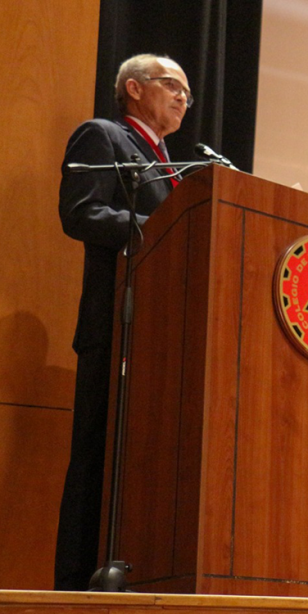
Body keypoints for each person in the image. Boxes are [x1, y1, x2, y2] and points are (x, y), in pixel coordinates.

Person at [55, 53, 191, 591]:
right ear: (134, 89)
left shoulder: (178, 165)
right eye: (172, 86)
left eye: (188, 92)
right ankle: (72, 587)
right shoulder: (103, 137)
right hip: (116, 327)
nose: (183, 97)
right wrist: (164, 231)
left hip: (162, 336)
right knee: (96, 462)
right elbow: (81, 213)